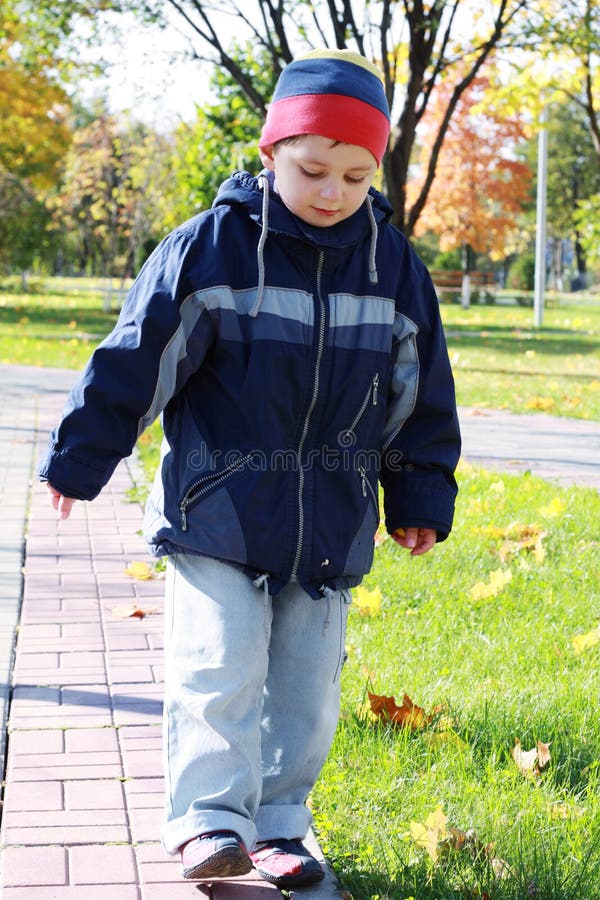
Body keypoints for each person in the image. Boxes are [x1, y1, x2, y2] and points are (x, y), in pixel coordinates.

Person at [39, 49, 461, 889]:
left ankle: (280, 827)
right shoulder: (213, 248)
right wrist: (83, 454)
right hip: (217, 507)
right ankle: (207, 823)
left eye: (354, 174)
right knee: (219, 665)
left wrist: (417, 490)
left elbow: (422, 395)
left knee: (304, 689)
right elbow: (136, 358)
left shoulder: (392, 267)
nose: (333, 191)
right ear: (270, 153)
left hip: (331, 517)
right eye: (311, 170)